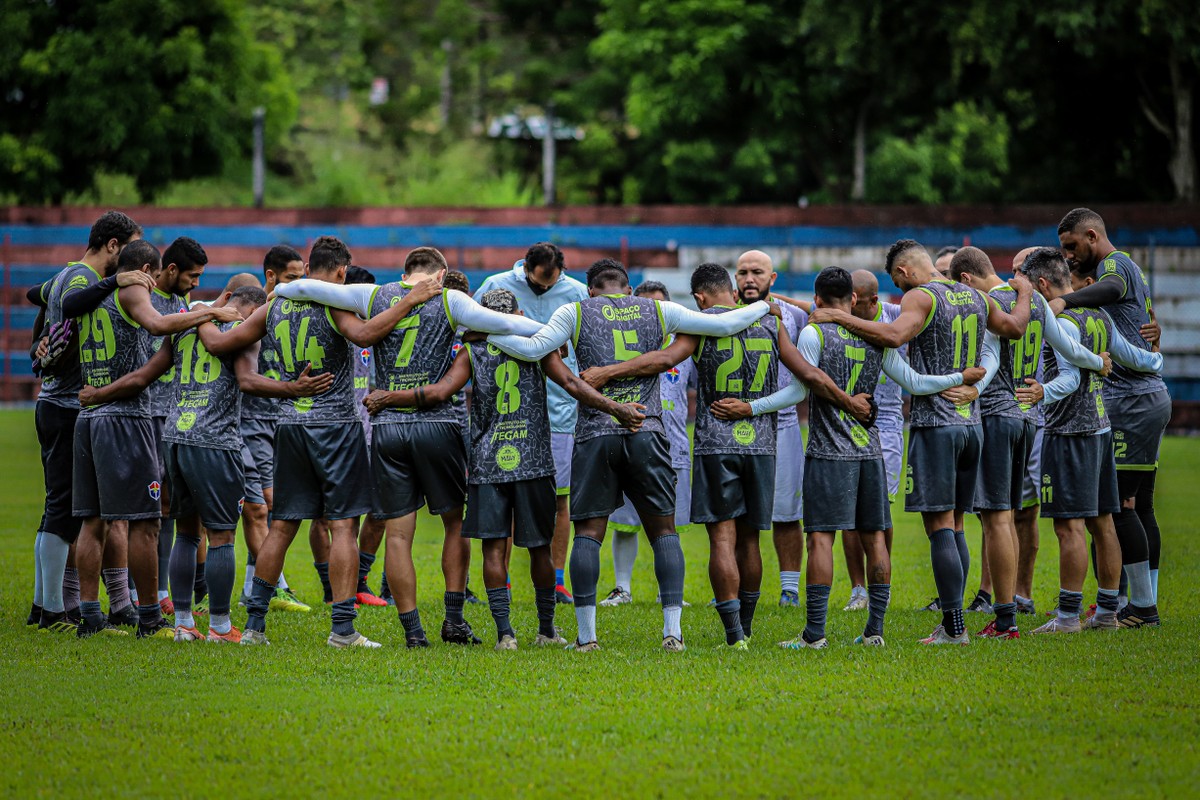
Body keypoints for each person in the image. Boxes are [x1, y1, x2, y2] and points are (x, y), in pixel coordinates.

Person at [493, 258, 871, 651]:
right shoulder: (663, 310)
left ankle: (588, 637)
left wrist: (485, 333)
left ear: (590, 290)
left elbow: (543, 349)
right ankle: (680, 633)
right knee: (673, 532)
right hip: (682, 434)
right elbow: (734, 333)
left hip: (610, 433)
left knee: (592, 533)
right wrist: (764, 307)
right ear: (628, 289)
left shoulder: (575, 311)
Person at [269, 245, 550, 647]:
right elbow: (506, 324)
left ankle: (414, 632)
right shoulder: (451, 299)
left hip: (387, 427)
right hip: (437, 426)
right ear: (441, 275)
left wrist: (279, 290)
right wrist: (550, 333)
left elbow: (309, 289)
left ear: (405, 274)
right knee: (455, 525)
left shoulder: (373, 295)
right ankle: (453, 620)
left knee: (399, 536)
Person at [364, 288, 645, 649]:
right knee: (540, 549)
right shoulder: (538, 347)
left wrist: (390, 396)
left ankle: (505, 635)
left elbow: (440, 392)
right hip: (533, 460)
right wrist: (615, 408)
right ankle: (546, 631)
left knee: (493, 550)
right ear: (518, 314)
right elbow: (572, 383)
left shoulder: (471, 351)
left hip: (487, 462)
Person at [206, 236, 447, 647]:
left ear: (308, 267)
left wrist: (202, 314)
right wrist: (410, 300)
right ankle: (342, 630)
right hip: (335, 426)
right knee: (343, 526)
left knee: (282, 526)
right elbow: (366, 335)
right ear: (341, 272)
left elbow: (221, 344)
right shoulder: (333, 302)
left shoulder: (274, 305)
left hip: (289, 426)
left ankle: (253, 627)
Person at [717, 266, 976, 647]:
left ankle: (814, 634)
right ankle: (875, 631)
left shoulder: (814, 332)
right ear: (853, 299)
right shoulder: (875, 337)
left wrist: (751, 408)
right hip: (870, 451)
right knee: (875, 539)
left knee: (821, 540)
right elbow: (915, 383)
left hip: (828, 451)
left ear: (817, 300)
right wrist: (960, 378)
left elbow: (799, 391)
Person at [77, 286, 332, 643]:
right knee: (222, 535)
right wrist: (294, 389)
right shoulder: (241, 331)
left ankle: (183, 624)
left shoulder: (185, 326)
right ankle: (220, 627)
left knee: (186, 532)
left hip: (175, 438)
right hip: (215, 442)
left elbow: (143, 376)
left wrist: (97, 395)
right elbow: (247, 380)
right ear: (252, 310)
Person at [809, 239, 1032, 645]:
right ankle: (959, 622)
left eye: (899, 282)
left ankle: (954, 628)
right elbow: (1016, 328)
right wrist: (1027, 293)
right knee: (957, 523)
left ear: (905, 271)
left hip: (936, 424)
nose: (901, 289)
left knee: (940, 526)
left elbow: (895, 335)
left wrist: (839, 317)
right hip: (972, 424)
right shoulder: (976, 296)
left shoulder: (921, 296)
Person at [73, 240, 242, 639]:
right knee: (147, 522)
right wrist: (212, 311)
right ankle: (150, 616)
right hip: (126, 417)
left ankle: (90, 615)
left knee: (93, 521)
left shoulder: (92, 295)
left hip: (91, 414)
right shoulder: (134, 291)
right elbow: (157, 326)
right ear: (150, 270)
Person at [949, 246, 1110, 638]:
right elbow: (1069, 349)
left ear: (967, 278)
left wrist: (973, 389)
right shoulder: (1035, 300)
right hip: (1028, 417)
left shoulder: (988, 303)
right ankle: (1014, 606)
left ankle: (1006, 619)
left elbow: (989, 358)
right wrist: (1098, 361)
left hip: (996, 415)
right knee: (1012, 517)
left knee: (996, 519)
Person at [1016, 248, 1163, 632]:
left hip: (1069, 433)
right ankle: (1108, 612)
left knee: (1069, 527)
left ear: (1042, 285)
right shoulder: (1100, 316)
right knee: (1103, 523)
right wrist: (1157, 358)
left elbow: (1068, 379)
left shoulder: (1061, 321)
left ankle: (1067, 617)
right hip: (1100, 429)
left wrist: (1042, 392)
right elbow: (1133, 358)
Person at [25, 210, 148, 632]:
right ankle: (54, 611)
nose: (129, 261)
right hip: (66, 406)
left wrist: (39, 343)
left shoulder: (65, 274)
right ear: (112, 246)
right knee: (64, 511)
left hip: (53, 404)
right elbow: (72, 304)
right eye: (127, 250)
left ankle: (42, 607)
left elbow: (35, 294)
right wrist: (116, 281)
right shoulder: (83, 280)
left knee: (56, 508)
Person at [1054, 208, 1171, 627]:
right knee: (1139, 506)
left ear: (1092, 235)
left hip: (1132, 400)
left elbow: (1112, 289)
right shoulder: (1128, 269)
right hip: (1145, 397)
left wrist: (1064, 300)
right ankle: (1135, 601)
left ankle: (1141, 607)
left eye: (1072, 246)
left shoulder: (1114, 266)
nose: (1069, 256)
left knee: (1117, 506)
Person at [476, 245, 589, 604]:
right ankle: (504, 581)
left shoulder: (577, 293)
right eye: (539, 283)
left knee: (560, 498)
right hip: (506, 416)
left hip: (559, 412)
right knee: (505, 499)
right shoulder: (494, 286)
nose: (544, 288)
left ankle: (557, 580)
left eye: (551, 283)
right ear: (525, 267)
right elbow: (470, 334)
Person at [600, 280, 694, 607]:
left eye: (657, 307)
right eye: (643, 306)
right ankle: (622, 588)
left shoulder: (684, 347)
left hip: (673, 447)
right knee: (624, 523)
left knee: (668, 525)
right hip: (627, 440)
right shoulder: (618, 346)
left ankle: (667, 591)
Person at [733, 250, 809, 607]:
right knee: (736, 514)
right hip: (734, 426)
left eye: (757, 272)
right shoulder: (723, 313)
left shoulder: (793, 315)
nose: (749, 279)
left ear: (772, 278)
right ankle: (736, 587)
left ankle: (789, 589)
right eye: (743, 272)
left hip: (783, 424)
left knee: (787, 513)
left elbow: (824, 310)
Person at [238, 245, 309, 613]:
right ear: (271, 276)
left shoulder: (294, 311)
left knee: (273, 507)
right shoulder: (253, 311)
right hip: (251, 419)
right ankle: (275, 586)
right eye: (291, 277)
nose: (298, 284)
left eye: (301, 277)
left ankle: (251, 587)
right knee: (264, 506)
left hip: (282, 418)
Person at [147, 237, 210, 619]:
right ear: (171, 269)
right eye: (192, 276)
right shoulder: (144, 300)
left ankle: (162, 591)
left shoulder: (182, 303)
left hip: (173, 416)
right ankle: (136, 593)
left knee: (170, 506)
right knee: (146, 509)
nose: (196, 284)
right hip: (144, 413)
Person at [841, 269, 903, 612]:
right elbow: (810, 306)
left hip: (886, 425)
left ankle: (882, 585)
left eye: (854, 301)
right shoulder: (838, 316)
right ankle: (858, 589)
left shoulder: (895, 315)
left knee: (879, 510)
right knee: (848, 510)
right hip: (844, 423)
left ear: (872, 300)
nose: (847, 307)